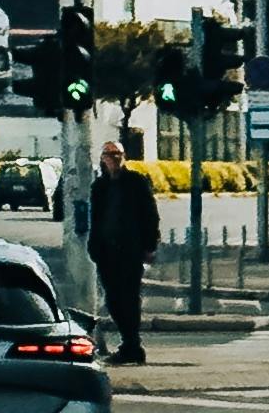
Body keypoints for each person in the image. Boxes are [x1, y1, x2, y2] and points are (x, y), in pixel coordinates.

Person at [91, 137, 159, 366]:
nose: (114, 159)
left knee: (128, 298)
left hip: (130, 250)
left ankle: (132, 345)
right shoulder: (99, 186)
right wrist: (94, 247)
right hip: (106, 251)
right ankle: (129, 343)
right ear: (103, 159)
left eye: (118, 154)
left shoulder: (136, 182)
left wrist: (150, 245)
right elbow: (96, 219)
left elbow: (149, 214)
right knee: (113, 300)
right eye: (110, 155)